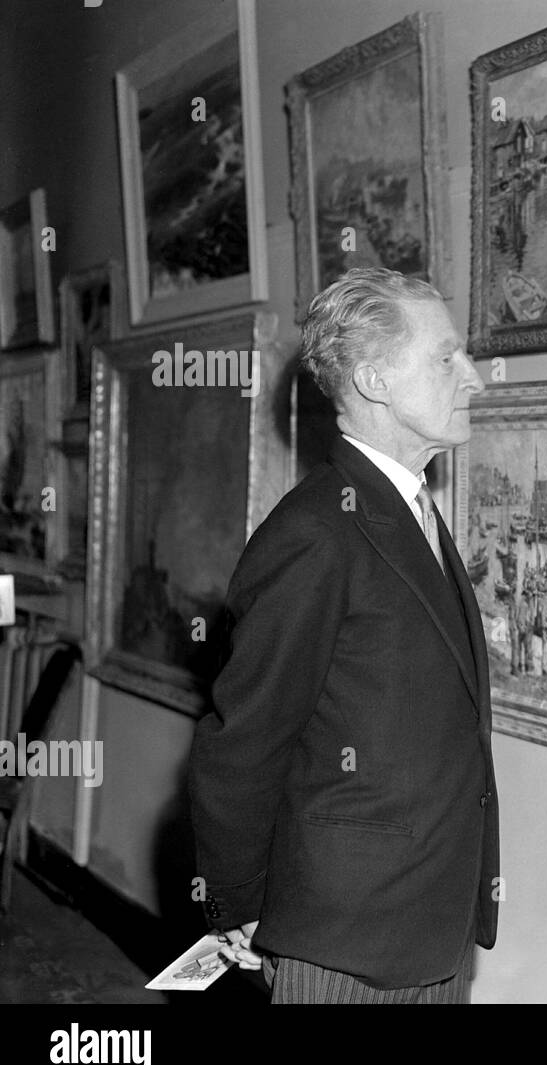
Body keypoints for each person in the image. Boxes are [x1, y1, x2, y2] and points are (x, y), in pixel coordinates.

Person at [188, 267, 497, 1004]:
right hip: (343, 943)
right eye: (446, 357)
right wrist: (238, 906)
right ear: (374, 379)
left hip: (432, 927)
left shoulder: (410, 511)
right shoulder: (316, 533)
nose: (475, 378)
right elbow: (243, 742)